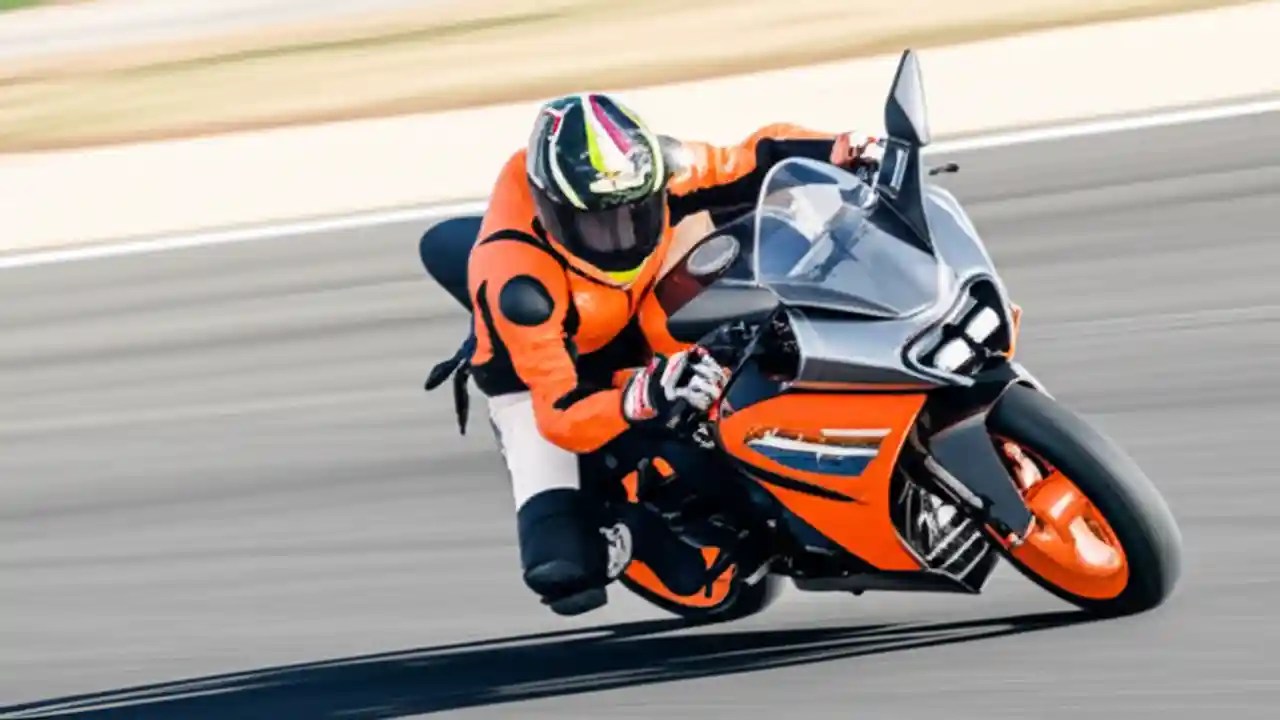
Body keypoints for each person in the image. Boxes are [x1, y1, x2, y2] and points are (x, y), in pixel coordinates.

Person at [455, 92, 882, 616]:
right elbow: (560, 414)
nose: (622, 237)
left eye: (636, 213)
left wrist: (839, 148)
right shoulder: (520, 285)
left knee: (761, 298)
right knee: (565, 572)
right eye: (598, 225)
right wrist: (637, 398)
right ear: (552, 215)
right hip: (546, 377)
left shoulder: (660, 170)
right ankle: (627, 540)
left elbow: (752, 157)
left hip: (637, 307)